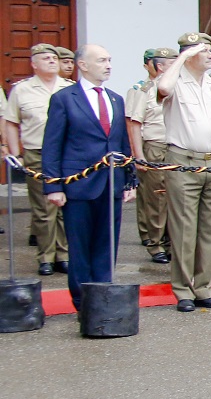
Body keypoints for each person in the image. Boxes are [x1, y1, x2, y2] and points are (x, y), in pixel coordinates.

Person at [38, 45, 136, 311]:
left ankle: (102, 296)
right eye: (102, 60)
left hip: (111, 183)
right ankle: (82, 301)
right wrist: (53, 185)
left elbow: (121, 142)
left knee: (107, 244)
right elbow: (52, 145)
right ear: (82, 65)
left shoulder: (115, 98)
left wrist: (129, 180)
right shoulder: (65, 98)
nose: (108, 65)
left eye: (110, 60)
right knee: (80, 247)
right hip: (78, 185)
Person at [154, 32, 211, 312]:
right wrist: (182, 58)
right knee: (185, 229)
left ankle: (204, 288)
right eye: (203, 50)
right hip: (184, 160)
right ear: (187, 54)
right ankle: (183, 290)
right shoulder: (175, 81)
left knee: (210, 229)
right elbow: (163, 87)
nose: (210, 54)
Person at [3, 43, 73, 275]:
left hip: (67, 154)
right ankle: (46, 256)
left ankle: (63, 254)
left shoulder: (69, 87)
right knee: (44, 209)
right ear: (34, 64)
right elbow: (12, 122)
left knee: (66, 207)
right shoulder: (22, 90)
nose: (52, 61)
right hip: (37, 153)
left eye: (54, 57)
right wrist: (16, 153)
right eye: (45, 58)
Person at [126, 47, 176, 265]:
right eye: (172, 62)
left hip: (178, 148)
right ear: (160, 66)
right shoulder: (144, 90)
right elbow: (134, 123)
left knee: (176, 200)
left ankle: (171, 243)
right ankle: (155, 244)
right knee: (156, 199)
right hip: (155, 146)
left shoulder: (180, 88)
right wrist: (138, 156)